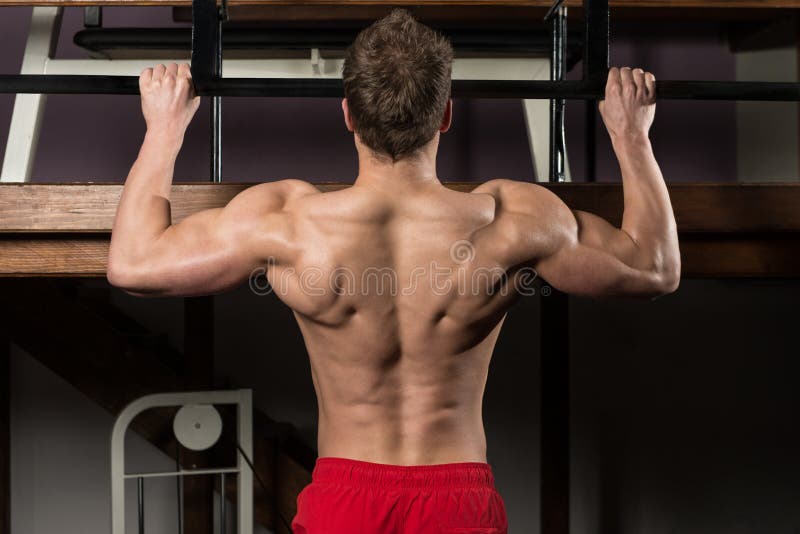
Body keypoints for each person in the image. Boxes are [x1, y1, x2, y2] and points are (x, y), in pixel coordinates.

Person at [108, 9, 680, 534]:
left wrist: (164, 130)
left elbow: (133, 262)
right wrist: (631, 136)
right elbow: (654, 269)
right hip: (458, 499)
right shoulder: (512, 220)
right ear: (447, 114)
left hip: (344, 499)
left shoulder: (289, 224)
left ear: (348, 115)